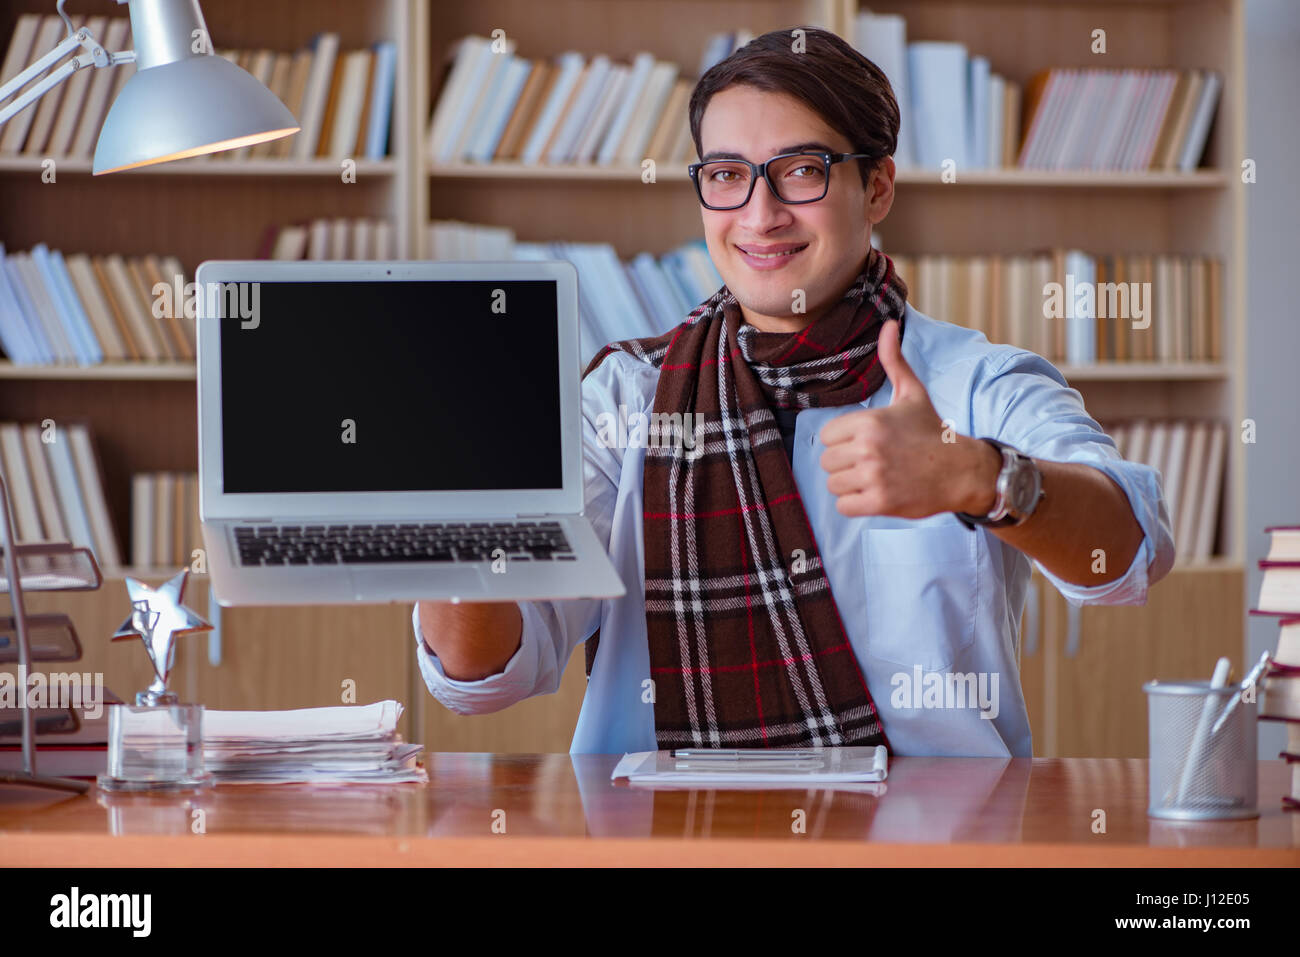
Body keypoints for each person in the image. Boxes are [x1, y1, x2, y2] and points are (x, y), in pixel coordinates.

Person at [413, 27, 1174, 756]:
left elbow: (1130, 551)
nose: (759, 213)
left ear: (877, 187)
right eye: (726, 175)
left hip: (931, 839)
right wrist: (467, 527)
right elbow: (481, 674)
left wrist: (980, 476)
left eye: (802, 170)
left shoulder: (975, 383)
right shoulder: (627, 397)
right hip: (663, 834)